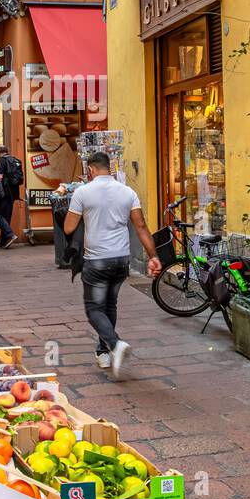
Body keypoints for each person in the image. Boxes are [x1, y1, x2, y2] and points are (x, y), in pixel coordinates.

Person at [63, 152, 162, 377]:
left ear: (90, 170)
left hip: (97, 260)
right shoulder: (128, 192)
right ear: (110, 168)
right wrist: (153, 257)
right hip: (121, 259)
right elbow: (142, 228)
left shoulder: (82, 192)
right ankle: (103, 352)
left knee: (94, 308)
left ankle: (116, 345)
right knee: (109, 306)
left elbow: (69, 228)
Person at [0, 144, 23, 249]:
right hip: (13, 193)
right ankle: (4, 240)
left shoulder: (1, 161)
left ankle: (10, 235)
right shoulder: (14, 160)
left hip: (3, 192)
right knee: (7, 215)